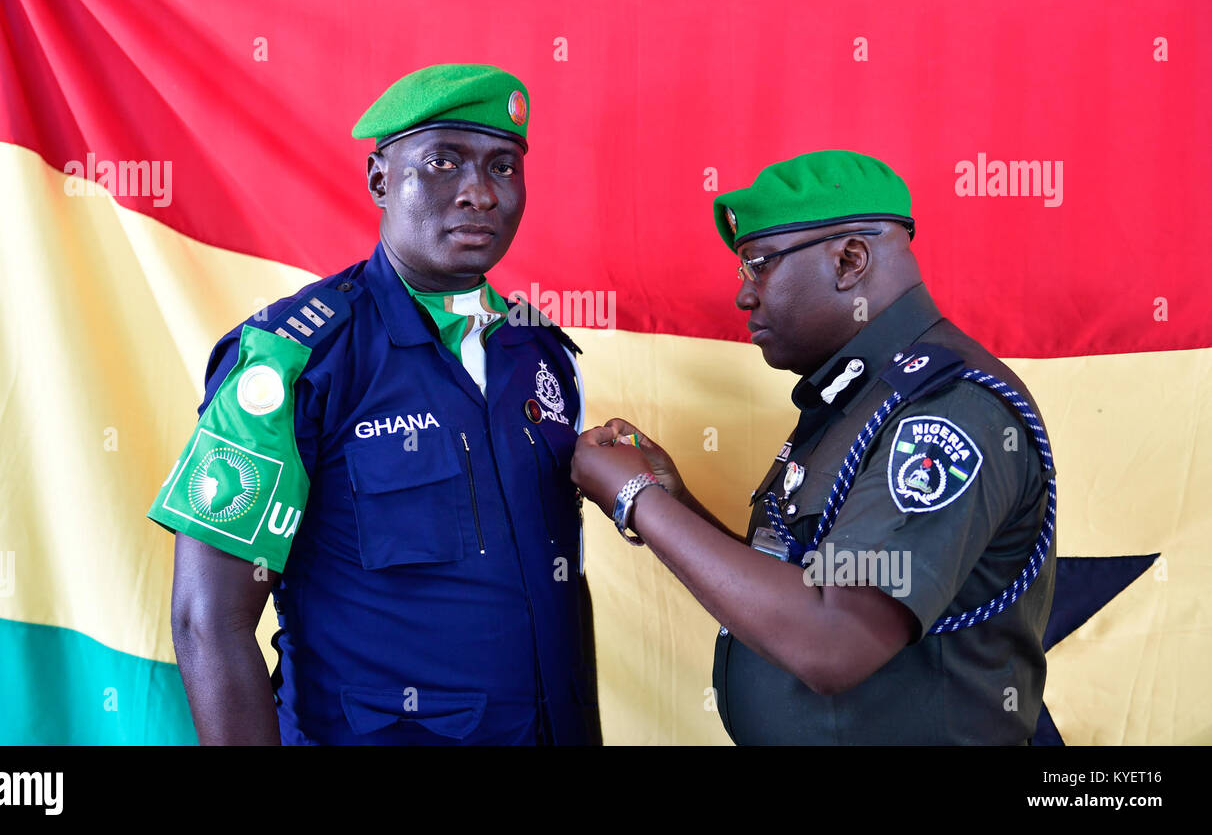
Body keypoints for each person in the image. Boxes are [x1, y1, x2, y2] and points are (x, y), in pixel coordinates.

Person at [147, 63, 599, 745]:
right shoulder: (295, 359)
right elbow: (208, 619)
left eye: (503, 166)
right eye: (443, 162)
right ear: (380, 180)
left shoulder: (544, 357)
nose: (479, 192)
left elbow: (565, 589)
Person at [570, 149, 1056, 744]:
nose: (744, 297)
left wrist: (637, 499)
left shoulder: (946, 409)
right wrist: (678, 502)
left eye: (758, 266)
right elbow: (799, 584)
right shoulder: (858, 393)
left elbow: (834, 639)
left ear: (850, 260)